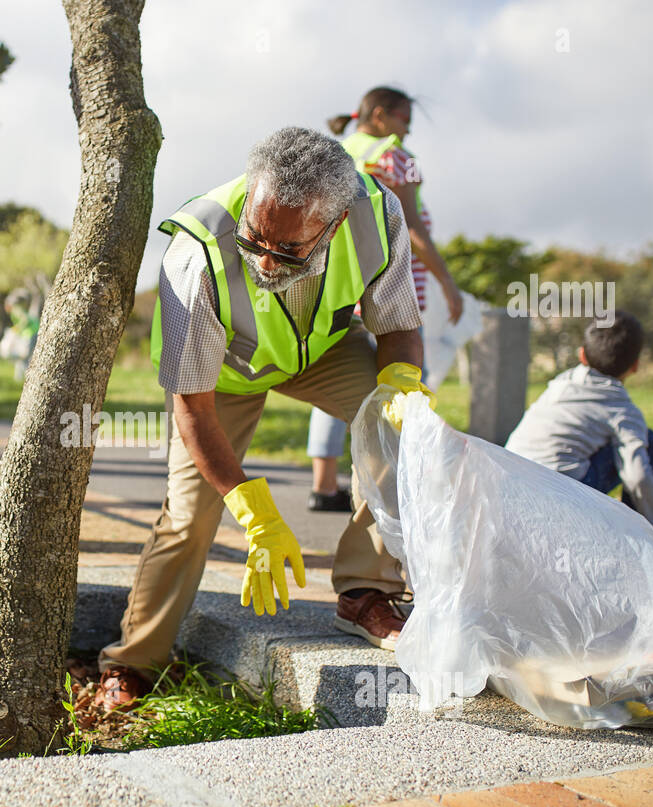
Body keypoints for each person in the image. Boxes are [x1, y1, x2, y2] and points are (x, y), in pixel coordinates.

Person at [92, 127, 432, 710]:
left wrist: (400, 390)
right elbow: (193, 407)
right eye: (255, 239)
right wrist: (250, 509)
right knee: (190, 514)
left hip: (317, 350)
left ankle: (366, 592)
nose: (265, 261)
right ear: (251, 196)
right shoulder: (193, 255)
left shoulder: (378, 218)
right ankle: (133, 663)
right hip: (224, 373)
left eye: (289, 250)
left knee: (401, 428)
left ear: (335, 223)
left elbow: (398, 326)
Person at [306, 87, 464, 512]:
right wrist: (446, 280)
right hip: (390, 288)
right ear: (379, 115)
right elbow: (411, 226)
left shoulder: (340, 150)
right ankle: (389, 492)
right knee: (402, 381)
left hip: (341, 287)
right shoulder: (396, 155)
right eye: (403, 119)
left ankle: (323, 486)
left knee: (336, 380)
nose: (407, 129)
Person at [506, 311, 653, 535]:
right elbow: (638, 477)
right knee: (652, 443)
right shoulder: (623, 410)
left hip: (511, 490)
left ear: (582, 355)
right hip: (561, 503)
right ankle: (638, 537)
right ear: (635, 366)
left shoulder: (560, 384)